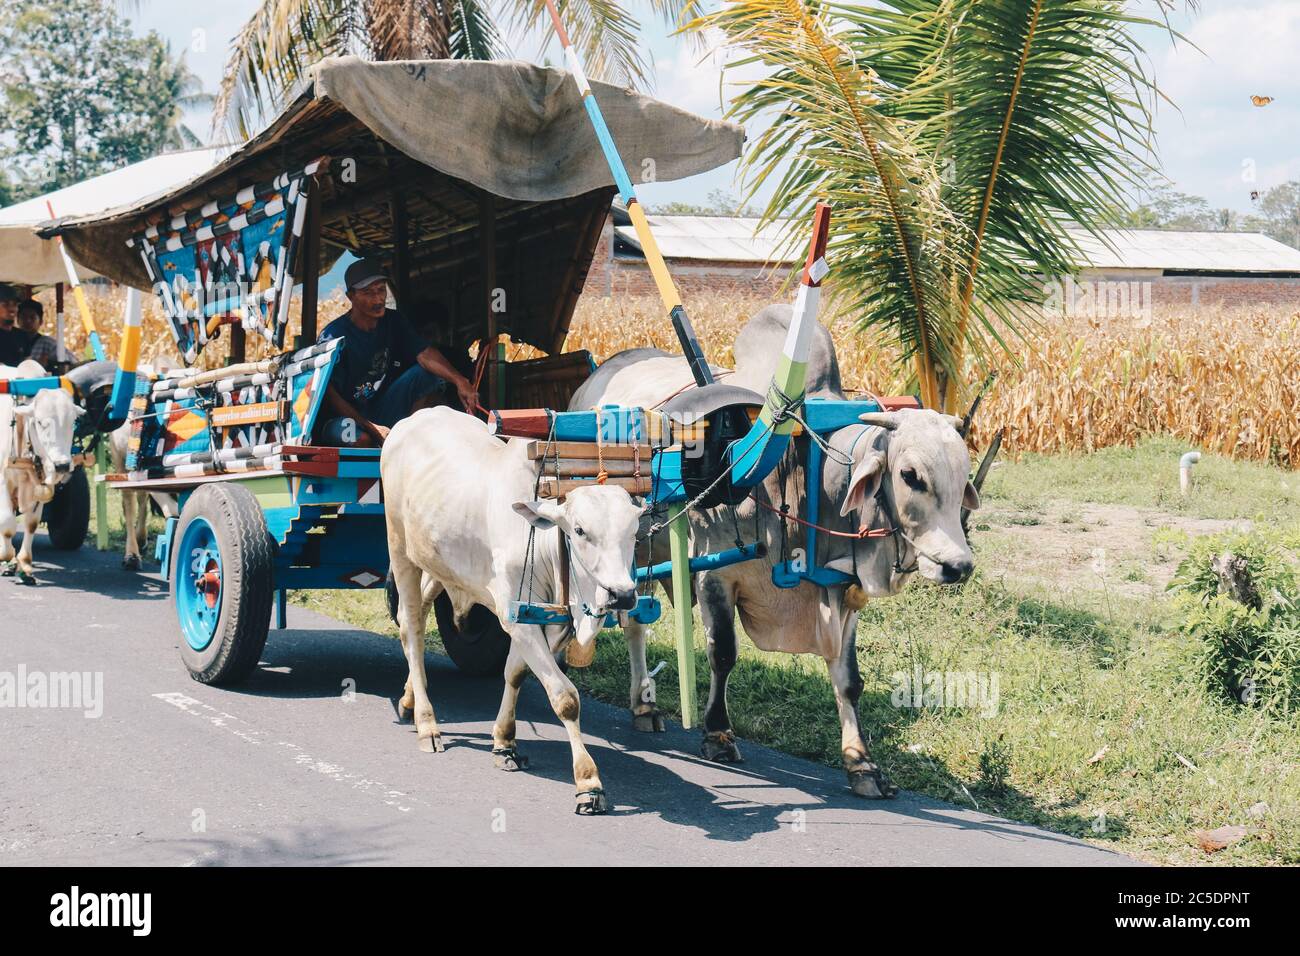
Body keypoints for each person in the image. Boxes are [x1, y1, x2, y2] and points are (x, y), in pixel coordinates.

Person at [317, 258, 478, 447]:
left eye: (381, 290)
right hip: (345, 418)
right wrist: (372, 428)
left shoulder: (394, 321)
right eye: (368, 293)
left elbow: (424, 354)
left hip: (381, 411)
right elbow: (328, 393)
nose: (378, 299)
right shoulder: (334, 335)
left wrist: (460, 381)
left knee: (426, 373)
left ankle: (409, 442)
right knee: (362, 439)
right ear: (351, 296)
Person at [16, 299, 58, 371]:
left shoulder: (48, 343)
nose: (28, 321)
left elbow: (72, 362)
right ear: (17, 320)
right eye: (24, 317)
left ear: (41, 321)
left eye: (32, 317)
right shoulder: (11, 340)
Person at [0, 283, 25, 367]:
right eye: (5, 304)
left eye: (15, 304)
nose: (12, 309)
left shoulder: (22, 335)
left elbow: (27, 362)